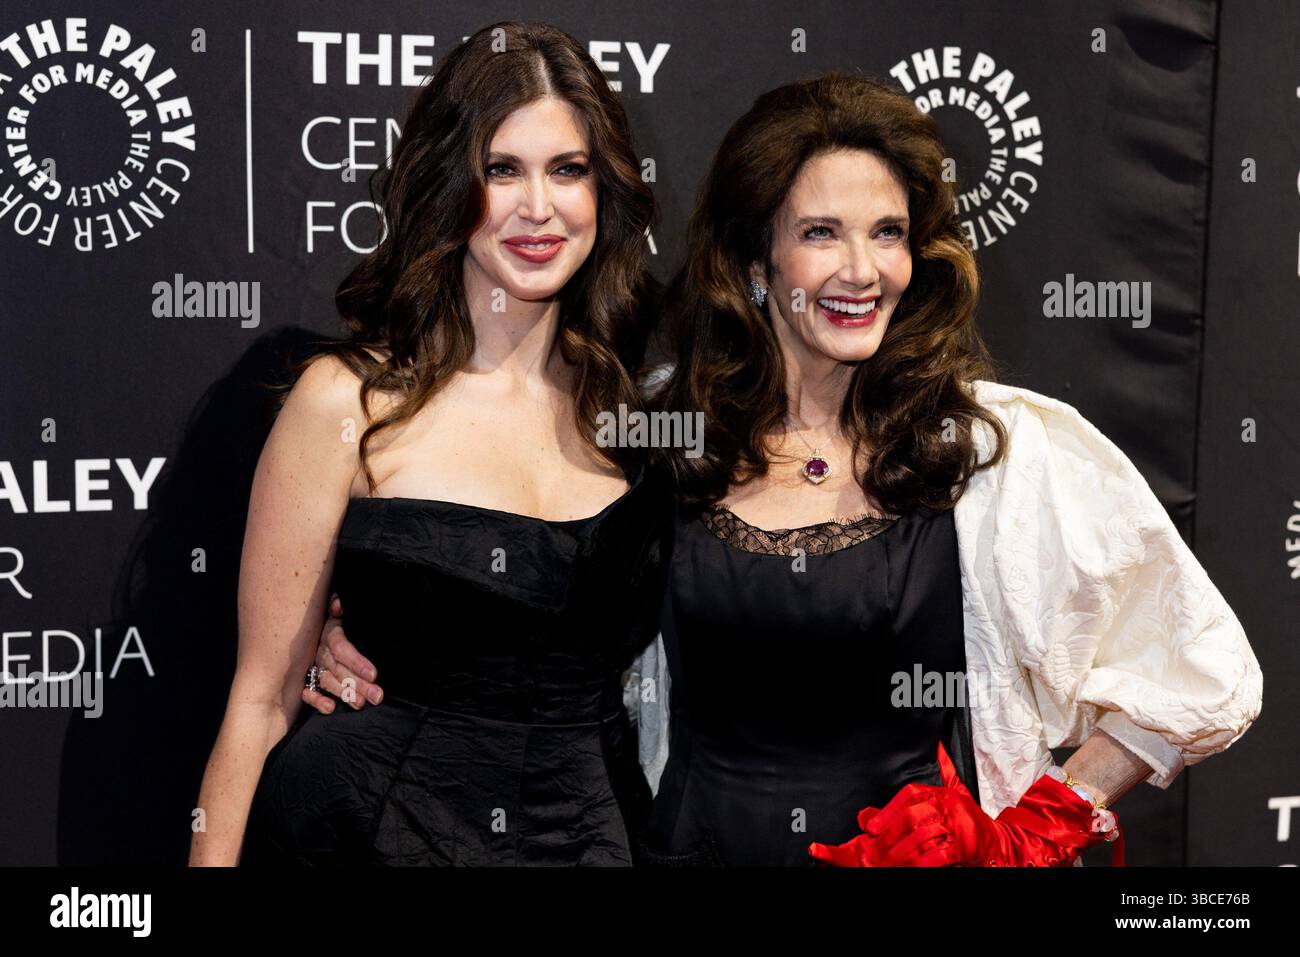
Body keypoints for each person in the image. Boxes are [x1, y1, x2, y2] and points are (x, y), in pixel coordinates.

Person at [306, 72, 1263, 867]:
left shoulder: (990, 453)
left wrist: (1033, 830)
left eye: (888, 233)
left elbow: (1201, 672)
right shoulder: (661, 435)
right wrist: (356, 627)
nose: (862, 269)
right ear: (755, 259)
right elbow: (528, 596)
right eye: (820, 233)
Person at [189, 21, 673, 867]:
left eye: (568, 170)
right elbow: (260, 701)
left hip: (596, 834)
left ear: (606, 191)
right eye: (502, 170)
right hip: (368, 831)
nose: (539, 207)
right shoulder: (348, 401)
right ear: (450, 184)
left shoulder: (633, 414)